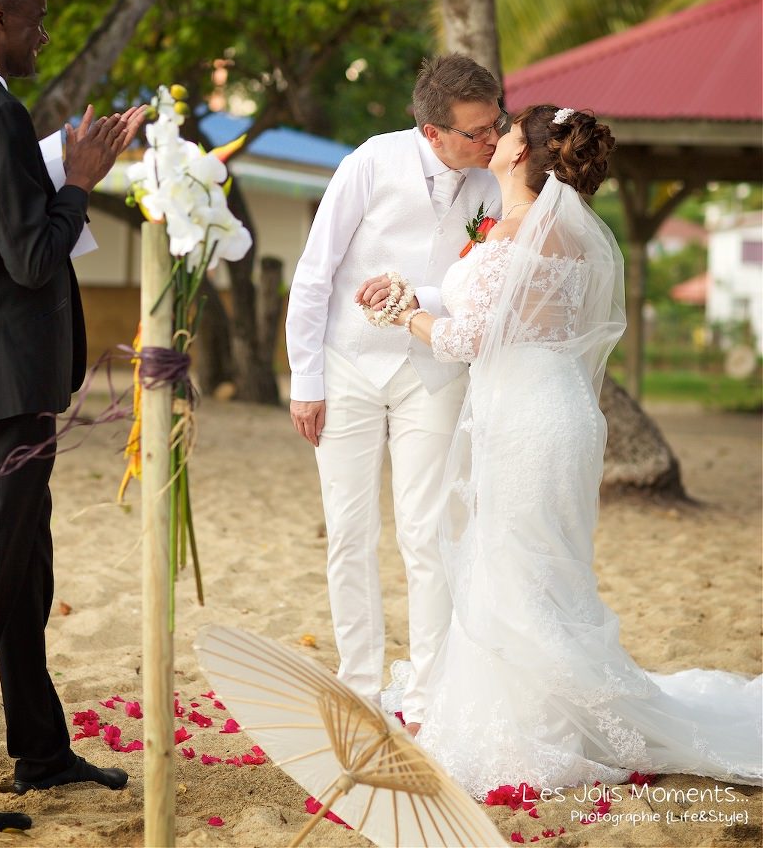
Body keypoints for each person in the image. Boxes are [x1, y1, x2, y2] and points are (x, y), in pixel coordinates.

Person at [377, 104, 761, 794]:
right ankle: (543, 715)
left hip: (529, 418)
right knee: (538, 568)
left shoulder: (520, 234)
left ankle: (538, 732)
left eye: (507, 133)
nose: (495, 139)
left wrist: (402, 314)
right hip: (556, 411)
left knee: (518, 568)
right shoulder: (563, 235)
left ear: (523, 155)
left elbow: (468, 342)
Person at [286, 53, 505, 733]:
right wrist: (307, 380)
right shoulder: (370, 163)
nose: (492, 141)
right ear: (433, 132)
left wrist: (421, 299)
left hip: (432, 371)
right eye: (477, 132)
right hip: (347, 366)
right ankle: (359, 684)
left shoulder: (490, 185)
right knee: (350, 533)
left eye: (495, 125)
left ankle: (428, 697)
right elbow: (315, 272)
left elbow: (484, 278)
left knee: (427, 534)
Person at [0, 0, 146, 810]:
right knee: (0, 568)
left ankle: (43, 751)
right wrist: (79, 180)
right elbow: (28, 256)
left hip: (5, 379)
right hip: (9, 383)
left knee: (25, 571)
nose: (42, 37)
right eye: (35, 22)